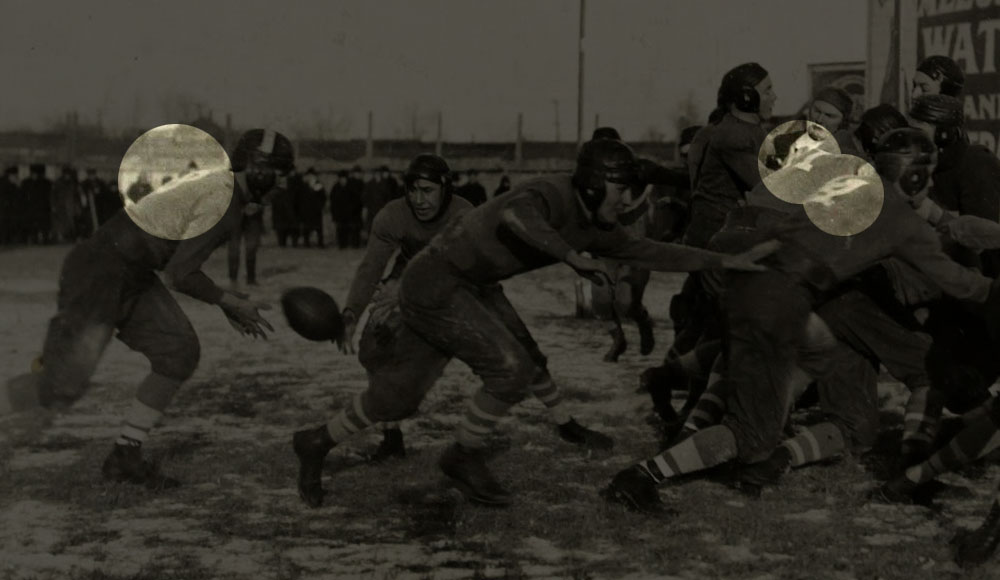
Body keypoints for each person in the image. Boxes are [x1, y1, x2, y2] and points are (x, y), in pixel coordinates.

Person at [602, 128, 995, 513]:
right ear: (913, 175)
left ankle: (749, 449)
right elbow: (960, 283)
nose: (931, 184)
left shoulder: (855, 183)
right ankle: (639, 478)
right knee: (750, 432)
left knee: (841, 407)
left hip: (782, 288)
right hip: (779, 298)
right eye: (927, 175)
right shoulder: (899, 219)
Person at [387, 139, 774, 506]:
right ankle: (459, 453)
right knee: (505, 370)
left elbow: (649, 251)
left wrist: (721, 260)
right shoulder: (554, 192)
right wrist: (570, 255)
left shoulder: (595, 223)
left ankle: (561, 424)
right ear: (592, 185)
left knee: (529, 358)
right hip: (442, 277)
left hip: (476, 281)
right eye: (620, 189)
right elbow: (516, 213)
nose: (627, 200)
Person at [0, 129, 283, 489]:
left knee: (178, 351)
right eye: (280, 173)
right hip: (101, 274)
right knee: (60, 385)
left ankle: (125, 456)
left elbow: (178, 265)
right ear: (259, 169)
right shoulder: (225, 200)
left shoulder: (221, 189)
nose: (282, 184)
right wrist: (229, 301)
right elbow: (180, 274)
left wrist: (226, 301)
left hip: (130, 271)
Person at [292, 154, 477, 507]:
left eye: (427, 191)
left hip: (451, 291)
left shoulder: (465, 216)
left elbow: (466, 273)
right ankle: (391, 436)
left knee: (409, 385)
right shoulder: (393, 214)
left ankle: (320, 441)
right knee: (373, 351)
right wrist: (351, 314)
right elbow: (371, 267)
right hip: (404, 282)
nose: (419, 200)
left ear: (446, 189)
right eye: (412, 190)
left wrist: (407, 294)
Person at [228, 130, 294, 285]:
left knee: (252, 246)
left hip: (255, 213)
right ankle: (233, 279)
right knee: (234, 247)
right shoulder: (239, 163)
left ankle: (251, 279)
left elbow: (280, 187)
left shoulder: (273, 169)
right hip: (235, 212)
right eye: (259, 153)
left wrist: (261, 203)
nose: (262, 156)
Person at [299, 168, 327, 248]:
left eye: (312, 176)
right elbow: (301, 198)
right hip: (307, 210)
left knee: (318, 228)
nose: (310, 177)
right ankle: (306, 243)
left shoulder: (319, 185)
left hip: (316, 210)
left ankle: (320, 243)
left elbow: (323, 197)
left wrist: (320, 206)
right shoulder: (304, 186)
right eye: (309, 176)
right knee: (306, 228)